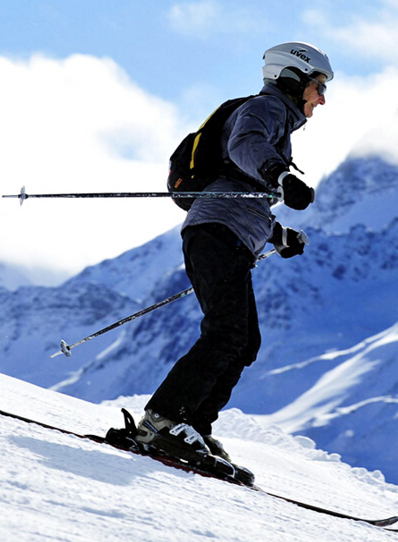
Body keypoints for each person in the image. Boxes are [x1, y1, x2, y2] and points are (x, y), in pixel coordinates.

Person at [135, 42, 333, 466]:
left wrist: (277, 234)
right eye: (319, 86)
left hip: (229, 232)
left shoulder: (280, 121)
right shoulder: (267, 108)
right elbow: (245, 144)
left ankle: (194, 425)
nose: (322, 98)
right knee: (226, 332)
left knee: (244, 341)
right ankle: (163, 421)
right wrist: (279, 173)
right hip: (215, 232)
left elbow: (246, 199)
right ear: (292, 78)